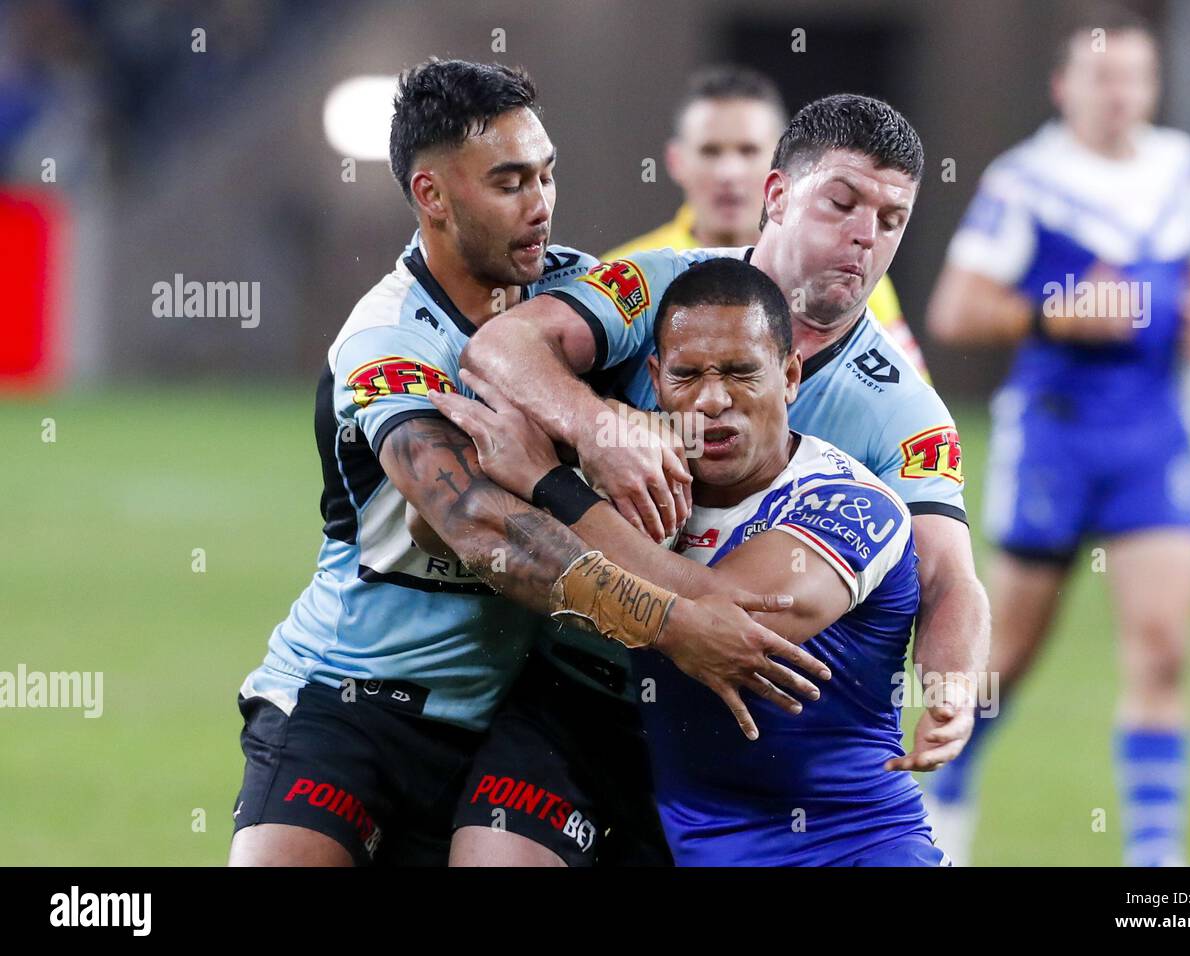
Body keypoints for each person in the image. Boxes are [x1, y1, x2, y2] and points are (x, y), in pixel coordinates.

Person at [228, 57, 824, 867]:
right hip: (352, 702)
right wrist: (677, 624)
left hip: (519, 713)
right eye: (510, 183)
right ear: (432, 196)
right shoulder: (387, 342)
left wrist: (617, 428)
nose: (541, 205)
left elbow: (718, 418)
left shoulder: (583, 301)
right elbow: (472, 523)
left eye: (547, 175)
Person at [447, 93, 990, 866]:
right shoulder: (661, 287)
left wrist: (955, 685)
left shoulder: (903, 412)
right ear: (777, 196)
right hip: (582, 685)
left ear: (790, 376)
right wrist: (601, 428)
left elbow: (950, 578)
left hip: (744, 738)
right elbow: (500, 350)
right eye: (842, 202)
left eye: (892, 219)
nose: (865, 236)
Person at [925, 8, 1190, 866]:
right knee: (1008, 653)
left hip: (1152, 438)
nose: (1120, 94)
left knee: (1164, 648)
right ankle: (951, 783)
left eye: (1135, 77)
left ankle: (1156, 869)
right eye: (1102, 78)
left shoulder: (1180, 167)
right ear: (1064, 88)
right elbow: (955, 309)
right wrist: (1059, 316)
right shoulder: (1027, 181)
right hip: (1055, 440)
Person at [603, 64, 927, 375]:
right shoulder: (630, 270)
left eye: (748, 151)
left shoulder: (847, 277)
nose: (729, 173)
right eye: (710, 151)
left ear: (782, 161)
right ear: (676, 161)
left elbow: (909, 400)